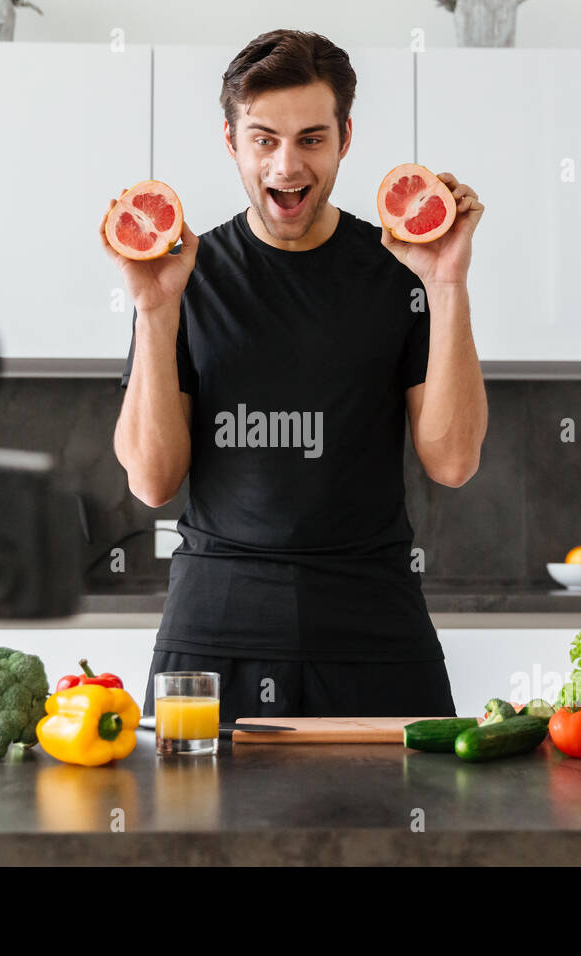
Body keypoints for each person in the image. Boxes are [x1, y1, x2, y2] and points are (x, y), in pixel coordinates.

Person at [102, 29, 488, 721]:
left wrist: (449, 283)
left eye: (312, 138)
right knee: (197, 831)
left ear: (344, 138)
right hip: (214, 629)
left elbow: (454, 461)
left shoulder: (401, 270)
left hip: (375, 626)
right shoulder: (182, 275)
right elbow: (152, 481)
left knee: (402, 833)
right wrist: (155, 312)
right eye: (264, 140)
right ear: (231, 141)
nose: (286, 165)